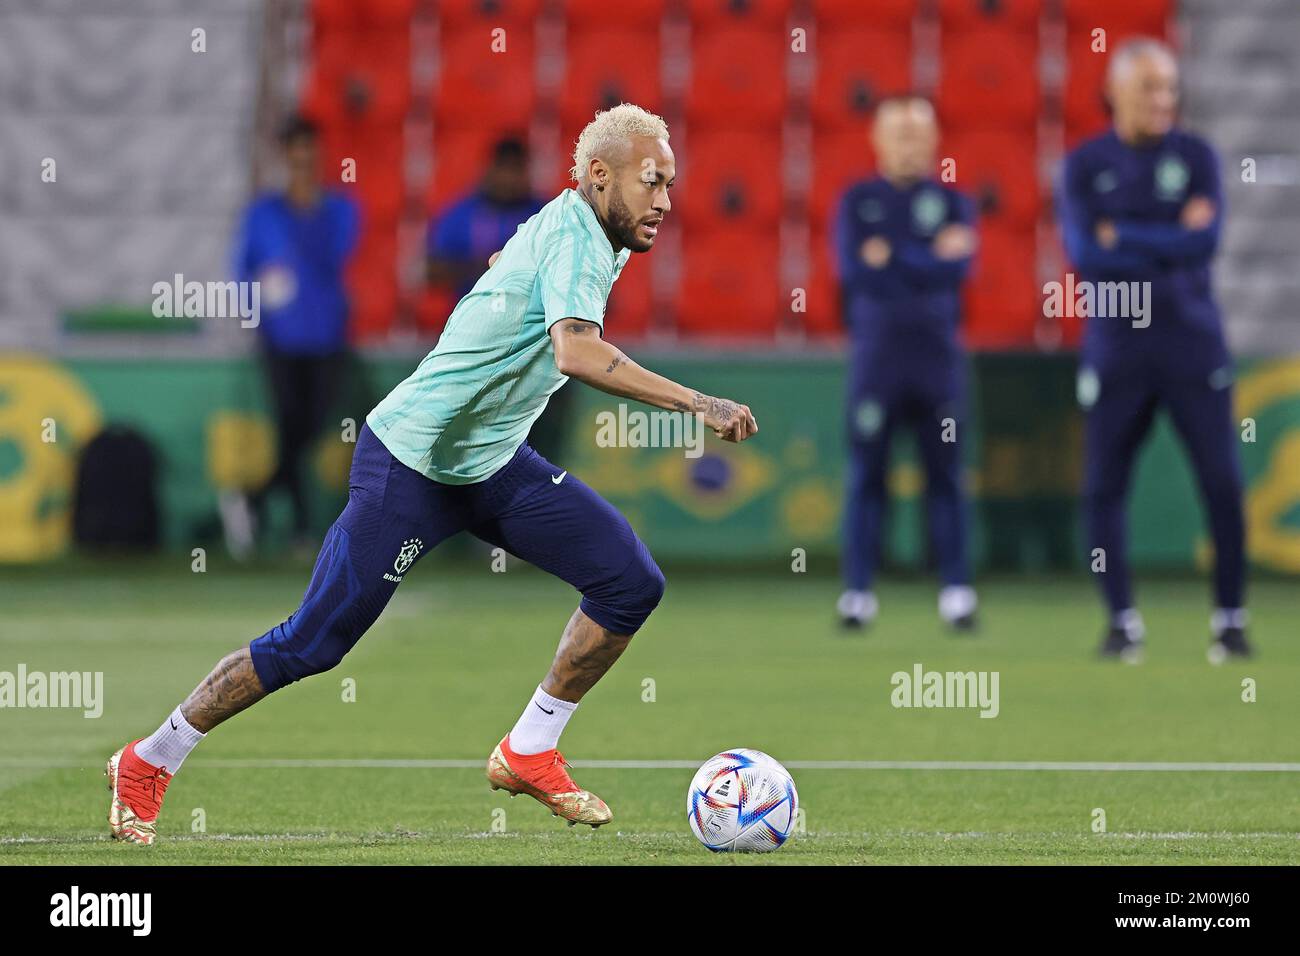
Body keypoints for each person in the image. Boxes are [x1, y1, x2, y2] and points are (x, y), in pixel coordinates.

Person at [105, 104, 758, 844]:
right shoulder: (578, 237)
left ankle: (530, 749)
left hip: (492, 461)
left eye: (670, 184)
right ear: (598, 175)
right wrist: (697, 402)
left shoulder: (583, 229)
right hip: (410, 465)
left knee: (630, 581)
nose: (666, 201)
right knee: (313, 643)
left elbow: (511, 289)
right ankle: (148, 757)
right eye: (653, 182)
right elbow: (576, 353)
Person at [1058, 39, 1249, 664]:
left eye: (1169, 87)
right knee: (1104, 487)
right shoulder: (1085, 164)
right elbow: (1088, 257)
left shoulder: (1196, 156)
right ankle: (1121, 622)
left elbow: (1207, 243)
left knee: (1220, 482)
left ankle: (1229, 620)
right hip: (1117, 349)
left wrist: (1128, 236)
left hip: (1194, 344)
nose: (1162, 99)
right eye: (1148, 88)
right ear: (1115, 93)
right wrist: (1170, 236)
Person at [832, 96, 980, 632]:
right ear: (878, 139)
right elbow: (855, 273)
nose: (910, 143)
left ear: (935, 141)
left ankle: (957, 591)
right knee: (867, 476)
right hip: (877, 363)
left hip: (938, 364)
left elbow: (959, 270)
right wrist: (927, 257)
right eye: (900, 132)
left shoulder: (955, 203)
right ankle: (858, 593)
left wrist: (892, 255)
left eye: (919, 133)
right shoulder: (857, 201)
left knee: (946, 477)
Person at [229, 114, 360, 553]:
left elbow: (337, 256)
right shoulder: (262, 213)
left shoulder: (338, 208)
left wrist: (307, 211)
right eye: (295, 153)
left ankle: (251, 500)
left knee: (309, 426)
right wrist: (257, 310)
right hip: (279, 339)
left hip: (326, 336)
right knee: (290, 425)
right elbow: (243, 273)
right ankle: (300, 528)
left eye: (309, 152)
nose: (303, 161)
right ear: (285, 157)